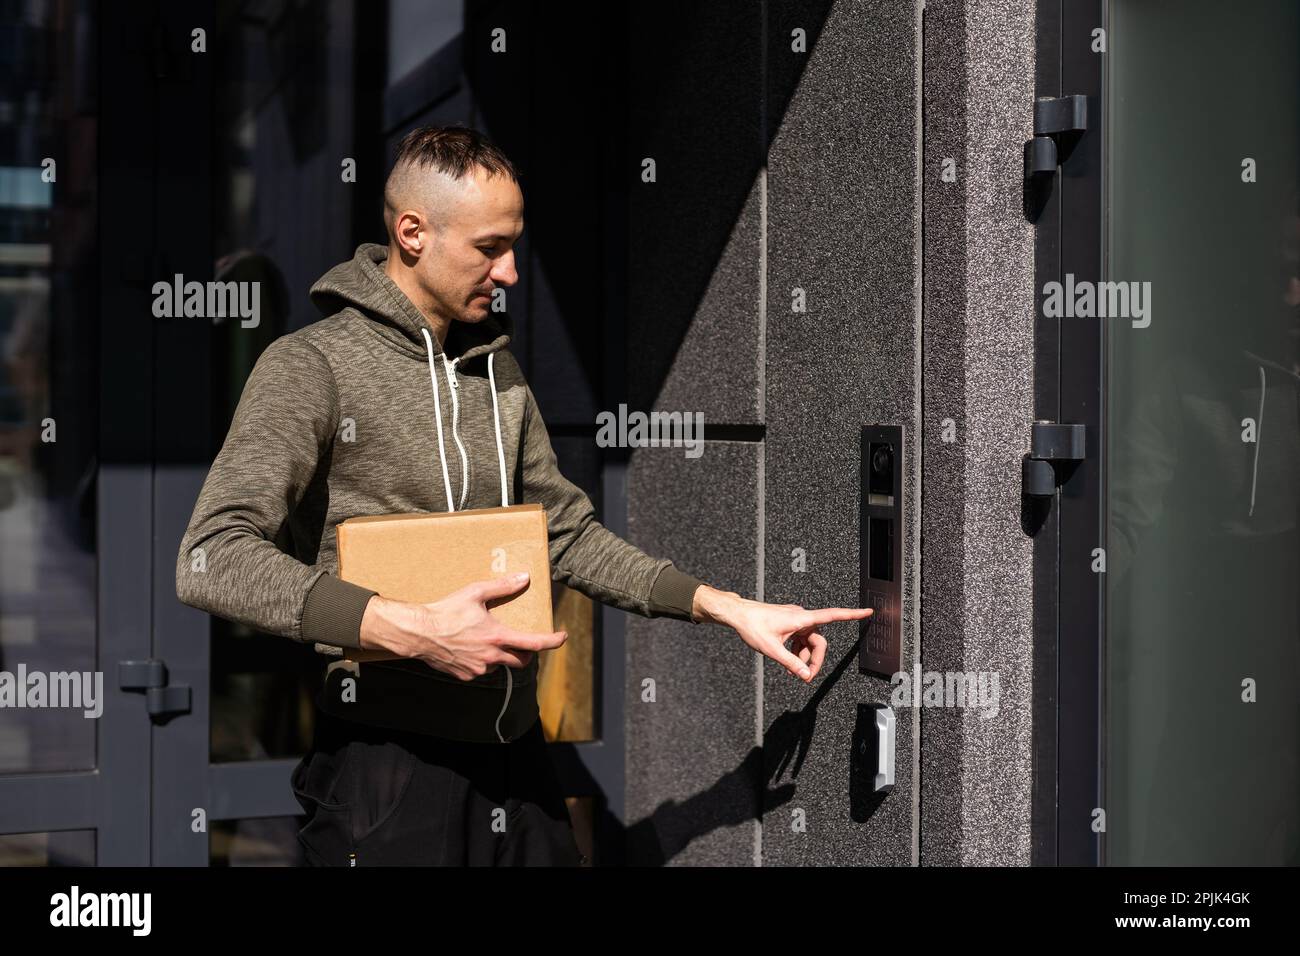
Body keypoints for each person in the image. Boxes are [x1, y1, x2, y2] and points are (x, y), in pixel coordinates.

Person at [175, 124, 873, 866]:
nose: (509, 271)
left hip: (517, 763)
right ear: (412, 233)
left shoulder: (494, 372)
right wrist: (409, 628)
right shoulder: (311, 367)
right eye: (488, 248)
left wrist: (726, 607)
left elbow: (564, 534)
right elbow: (212, 557)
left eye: (513, 245)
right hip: (388, 776)